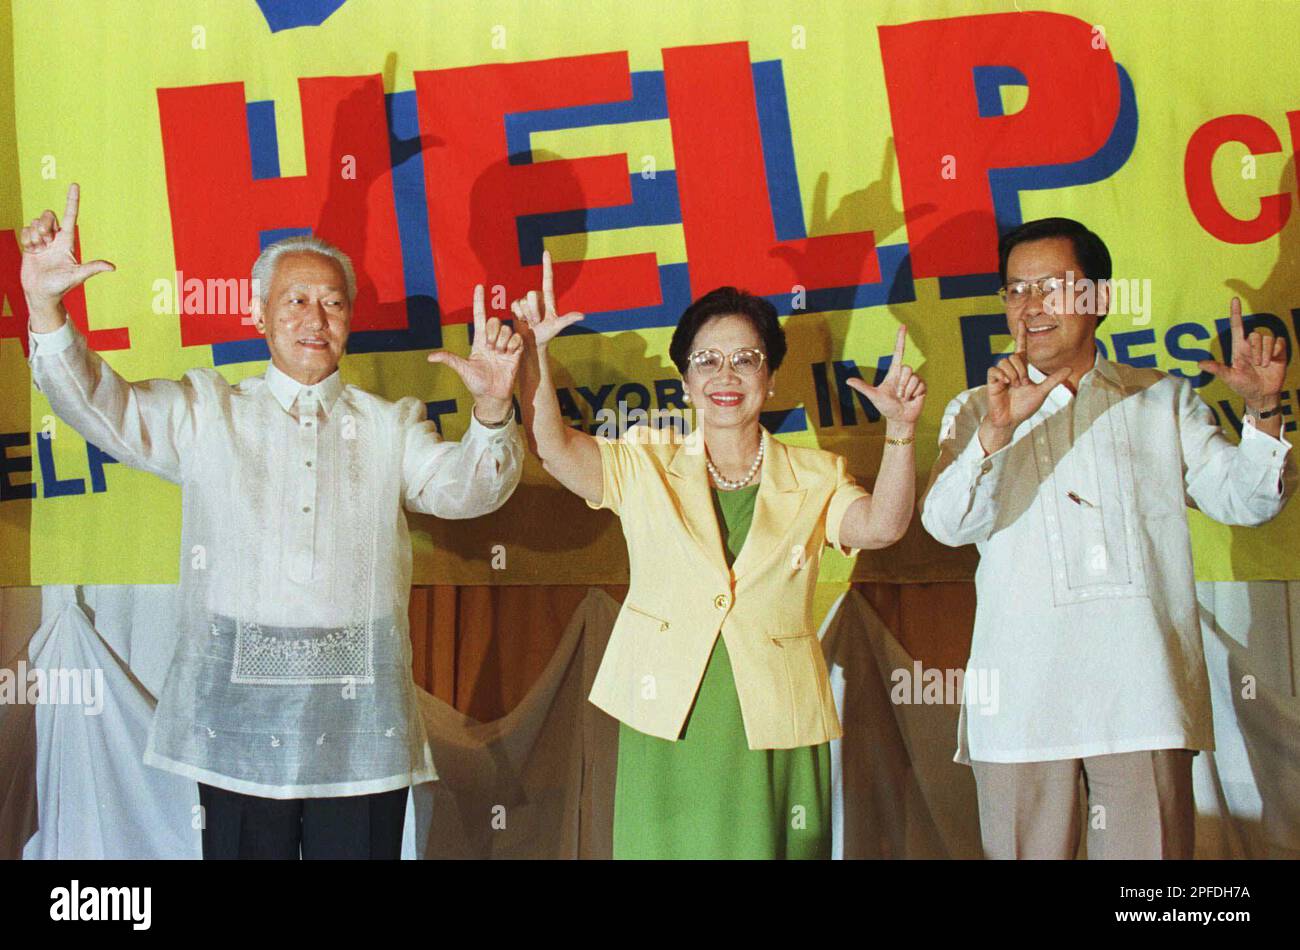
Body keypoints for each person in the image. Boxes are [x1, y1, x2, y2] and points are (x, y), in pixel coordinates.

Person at [21, 184, 525, 859]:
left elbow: (468, 491)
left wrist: (491, 414)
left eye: (333, 303)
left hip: (359, 722)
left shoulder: (388, 424)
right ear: (258, 314)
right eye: (296, 300)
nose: (316, 317)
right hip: (238, 722)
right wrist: (47, 308)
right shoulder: (209, 411)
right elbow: (102, 408)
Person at [510, 251, 925, 858]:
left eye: (745, 359)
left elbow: (882, 526)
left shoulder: (816, 475)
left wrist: (901, 433)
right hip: (668, 712)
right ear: (684, 380)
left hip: (773, 718)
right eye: (706, 360)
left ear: (771, 377)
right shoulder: (646, 457)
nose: (725, 375)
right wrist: (536, 357)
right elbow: (552, 445)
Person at [920, 217, 1296, 859]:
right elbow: (949, 525)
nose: (1031, 307)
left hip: (1142, 695)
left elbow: (1246, 499)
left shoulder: (1162, 400)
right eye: (1016, 291)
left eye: (1053, 287)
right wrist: (996, 434)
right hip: (1021, 704)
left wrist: (1262, 412)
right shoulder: (978, 409)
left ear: (1099, 299)